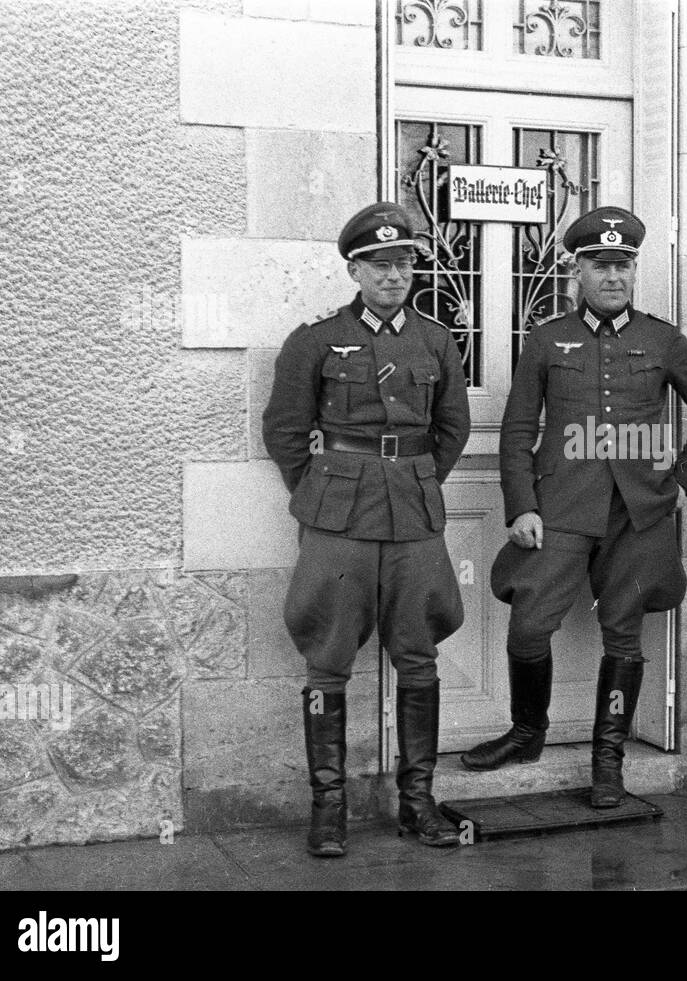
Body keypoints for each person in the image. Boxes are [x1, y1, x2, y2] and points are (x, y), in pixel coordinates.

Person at [461, 205, 687, 809]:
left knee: (624, 636)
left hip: (638, 512)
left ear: (634, 271)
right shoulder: (548, 338)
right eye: (600, 266)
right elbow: (517, 429)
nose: (613, 277)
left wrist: (679, 479)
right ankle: (528, 732)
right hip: (560, 504)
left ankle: (608, 758)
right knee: (530, 621)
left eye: (623, 266)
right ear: (575, 270)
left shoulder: (662, 339)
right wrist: (521, 505)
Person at [262, 202, 471, 856]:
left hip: (411, 510)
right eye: (379, 264)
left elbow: (453, 427)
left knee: (418, 650)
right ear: (354, 268)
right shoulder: (317, 340)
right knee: (327, 658)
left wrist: (414, 477)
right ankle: (330, 809)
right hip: (338, 513)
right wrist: (322, 488)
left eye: (404, 261)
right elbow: (285, 430)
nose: (393, 274)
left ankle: (417, 801)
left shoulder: (436, 339)